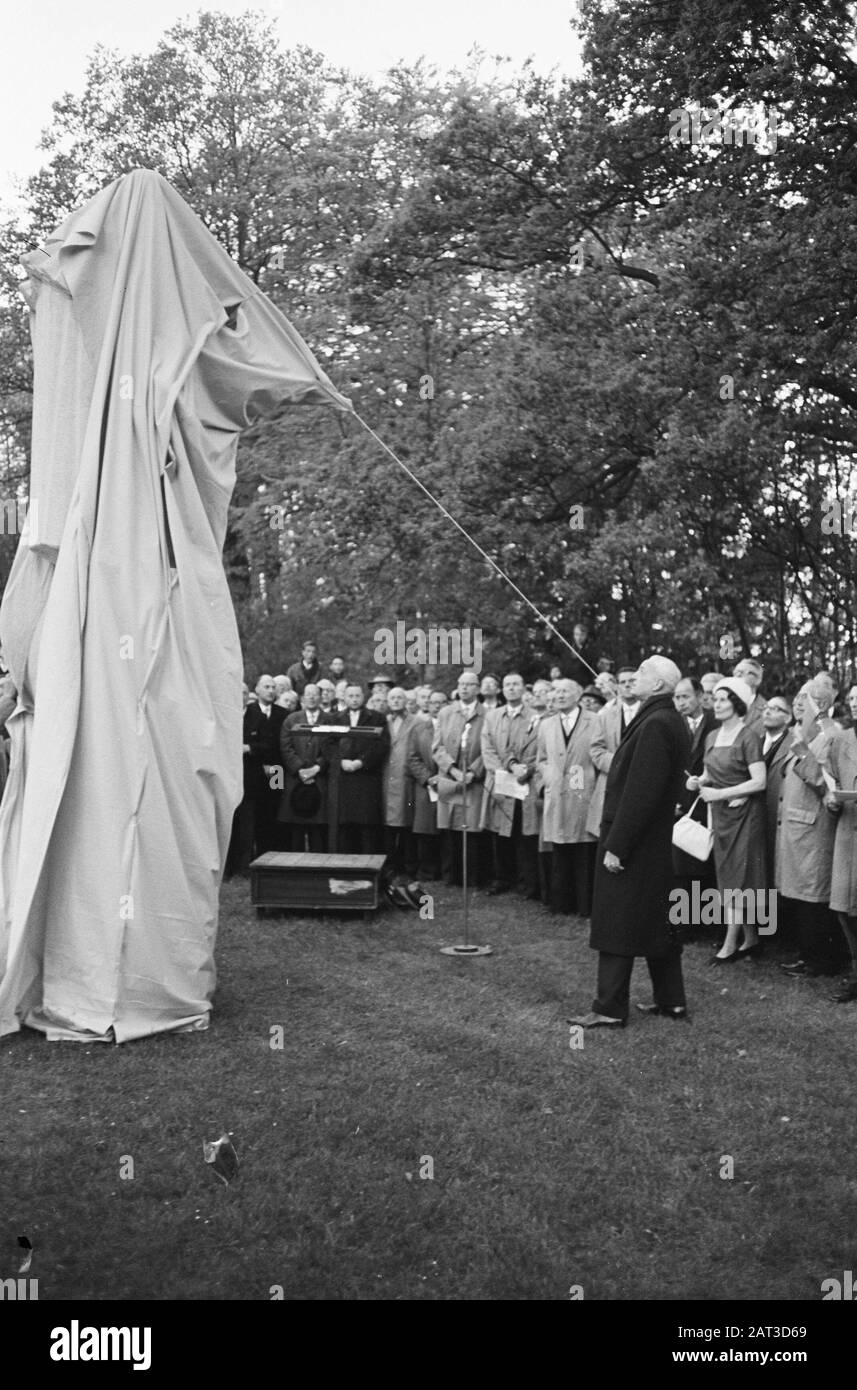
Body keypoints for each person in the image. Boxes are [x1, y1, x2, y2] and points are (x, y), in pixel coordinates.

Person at [568, 656, 690, 1029]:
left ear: (656, 686)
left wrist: (617, 846)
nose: (631, 678)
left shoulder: (655, 723)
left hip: (636, 843)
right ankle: (672, 1002)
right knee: (658, 922)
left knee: (616, 922)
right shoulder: (668, 718)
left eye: (640, 674)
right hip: (654, 843)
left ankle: (609, 1007)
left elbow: (641, 793)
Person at [688, 677, 766, 962]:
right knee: (729, 875)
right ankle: (752, 938)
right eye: (714, 699)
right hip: (721, 815)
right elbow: (712, 773)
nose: (715, 703)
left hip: (744, 815)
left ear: (736, 703)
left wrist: (720, 793)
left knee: (738, 876)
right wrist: (699, 781)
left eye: (722, 699)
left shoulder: (749, 737)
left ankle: (730, 944)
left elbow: (759, 781)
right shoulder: (711, 736)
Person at [776, 680, 842, 980]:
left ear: (825, 705)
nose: (799, 702)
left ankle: (820, 962)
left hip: (814, 828)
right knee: (801, 897)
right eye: (799, 696)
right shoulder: (802, 731)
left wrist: (804, 754)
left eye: (808, 698)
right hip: (796, 827)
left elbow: (830, 785)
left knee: (814, 897)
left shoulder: (832, 734)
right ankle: (807, 957)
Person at [537, 679, 600, 916]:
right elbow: (541, 758)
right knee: (560, 848)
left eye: (565, 691)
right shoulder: (547, 724)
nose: (560, 695)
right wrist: (548, 775)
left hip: (583, 790)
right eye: (556, 691)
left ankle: (585, 905)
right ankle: (561, 904)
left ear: (578, 694)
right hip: (557, 793)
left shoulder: (595, 720)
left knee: (583, 848)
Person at [480, 673, 540, 898]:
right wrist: (503, 771)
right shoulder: (492, 716)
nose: (512, 689)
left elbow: (538, 750)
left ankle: (526, 882)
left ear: (524, 688)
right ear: (501, 690)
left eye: (516, 684)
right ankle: (501, 879)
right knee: (499, 833)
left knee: (524, 833)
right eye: (507, 685)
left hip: (525, 782)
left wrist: (524, 770)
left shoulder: (535, 717)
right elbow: (487, 748)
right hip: (499, 781)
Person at [433, 670, 486, 886]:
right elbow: (437, 747)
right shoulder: (446, 713)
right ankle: (450, 876)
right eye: (461, 684)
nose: (464, 688)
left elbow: (489, 748)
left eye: (469, 684)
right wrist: (453, 770)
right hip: (450, 777)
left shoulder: (487, 714)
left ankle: (472, 877)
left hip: (474, 780)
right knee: (449, 827)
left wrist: (473, 772)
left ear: (477, 688)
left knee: (471, 828)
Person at [821, 683, 857, 1002]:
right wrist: (831, 801)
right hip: (848, 830)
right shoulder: (842, 740)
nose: (856, 705)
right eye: (853, 700)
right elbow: (831, 782)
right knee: (844, 908)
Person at [672, 676, 718, 912]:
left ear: (700, 697)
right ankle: (685, 919)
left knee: (704, 860)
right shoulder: (672, 723)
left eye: (685, 696)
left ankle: (706, 918)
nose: (680, 702)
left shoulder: (716, 722)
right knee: (680, 864)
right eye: (677, 697)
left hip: (707, 801)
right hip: (680, 802)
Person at [329, 683, 390, 853]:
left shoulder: (377, 718)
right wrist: (340, 761)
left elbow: (381, 746)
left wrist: (360, 762)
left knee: (367, 826)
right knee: (345, 826)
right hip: (343, 778)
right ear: (344, 698)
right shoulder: (334, 718)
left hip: (367, 777)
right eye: (350, 696)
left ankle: (368, 870)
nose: (354, 699)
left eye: (357, 696)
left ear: (363, 698)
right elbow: (328, 744)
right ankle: (345, 869)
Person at [277, 683, 331, 852]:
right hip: (295, 779)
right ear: (302, 698)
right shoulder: (291, 719)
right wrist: (299, 769)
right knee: (296, 828)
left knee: (318, 829)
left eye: (315, 694)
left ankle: (318, 868)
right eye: (308, 694)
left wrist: (317, 767)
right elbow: (285, 747)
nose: (312, 697)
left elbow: (333, 747)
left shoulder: (330, 719)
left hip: (320, 778)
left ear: (321, 698)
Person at [587, 668, 639, 840]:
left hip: (639, 786)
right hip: (610, 784)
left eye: (632, 681)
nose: (627, 685)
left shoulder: (650, 713)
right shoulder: (605, 715)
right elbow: (596, 749)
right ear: (616, 686)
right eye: (623, 682)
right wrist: (618, 764)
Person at [243, 674, 287, 857]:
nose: (270, 690)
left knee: (274, 807)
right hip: (253, 769)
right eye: (266, 687)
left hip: (276, 770)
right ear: (257, 690)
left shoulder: (283, 714)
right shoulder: (249, 711)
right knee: (252, 809)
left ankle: (270, 852)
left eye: (273, 687)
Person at [408, 690, 446, 879]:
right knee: (425, 829)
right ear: (427, 705)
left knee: (446, 828)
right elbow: (413, 757)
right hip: (426, 785)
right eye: (433, 703)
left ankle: (446, 869)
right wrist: (428, 778)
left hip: (448, 783)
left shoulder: (455, 727)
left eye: (441, 702)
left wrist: (444, 777)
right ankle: (427, 869)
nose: (437, 706)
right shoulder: (419, 729)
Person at [382, 686, 417, 875]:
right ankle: (389, 865)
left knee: (406, 823)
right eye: (392, 698)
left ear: (406, 701)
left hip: (406, 778)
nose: (396, 701)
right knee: (388, 825)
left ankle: (406, 866)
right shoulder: (384, 722)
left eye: (399, 698)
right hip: (387, 778)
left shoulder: (416, 722)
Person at [760, 693, 794, 883]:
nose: (768, 711)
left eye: (776, 709)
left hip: (778, 816)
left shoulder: (793, 744)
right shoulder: (755, 741)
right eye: (766, 707)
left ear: (788, 717)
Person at [732, 657, 767, 734]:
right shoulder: (723, 704)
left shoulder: (766, 711)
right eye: (737, 672)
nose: (738, 675)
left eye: (747, 673)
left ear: (758, 680)